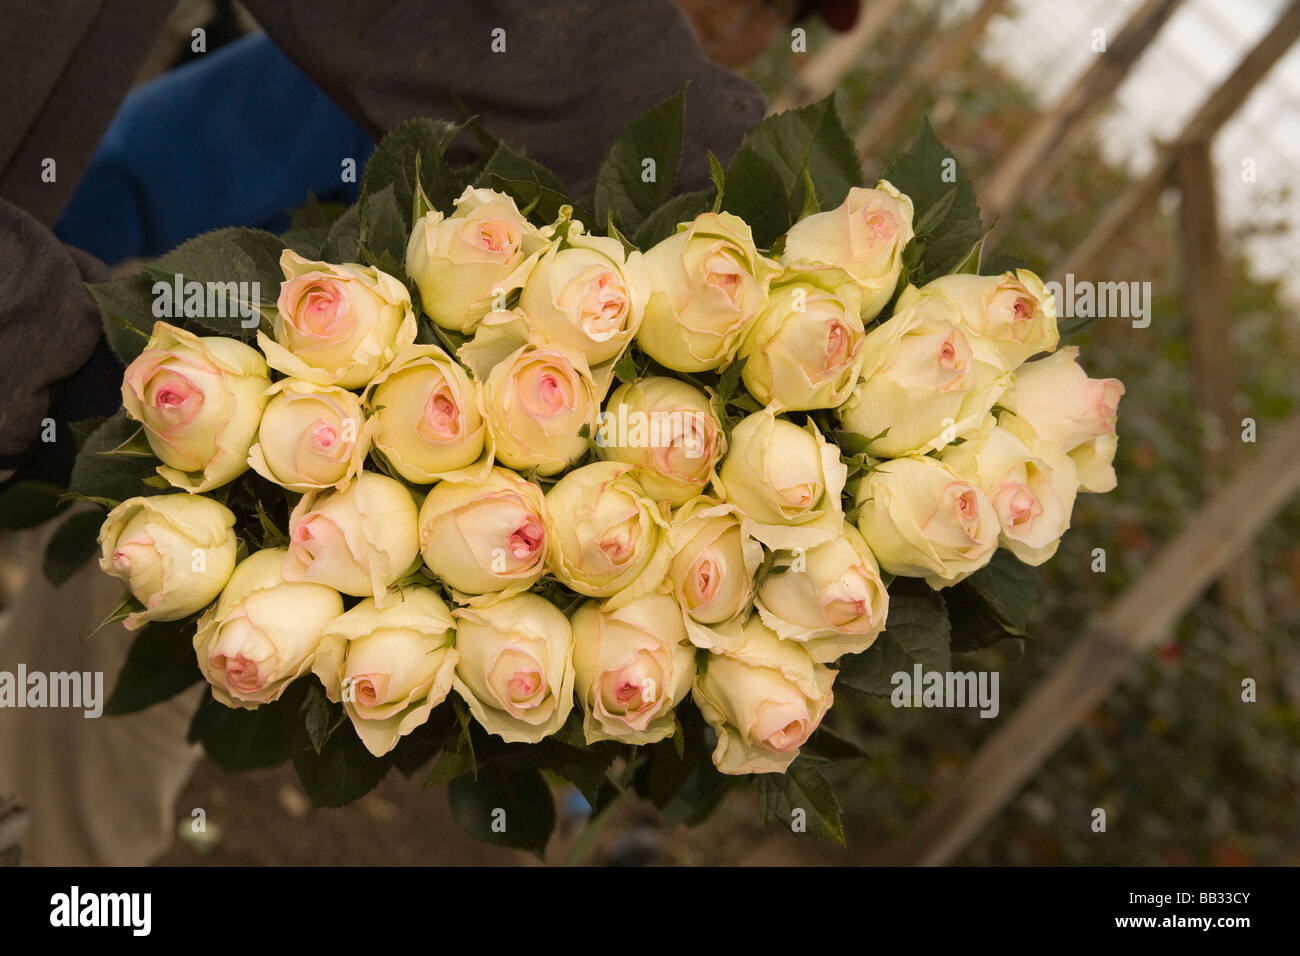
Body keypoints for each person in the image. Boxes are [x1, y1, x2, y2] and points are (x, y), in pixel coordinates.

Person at [0, 0, 858, 865]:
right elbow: (146, 165)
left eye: (771, 14)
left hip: (274, 520)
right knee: (88, 772)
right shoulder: (427, 71)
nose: (736, 23)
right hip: (179, 440)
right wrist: (76, 359)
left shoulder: (640, 180)